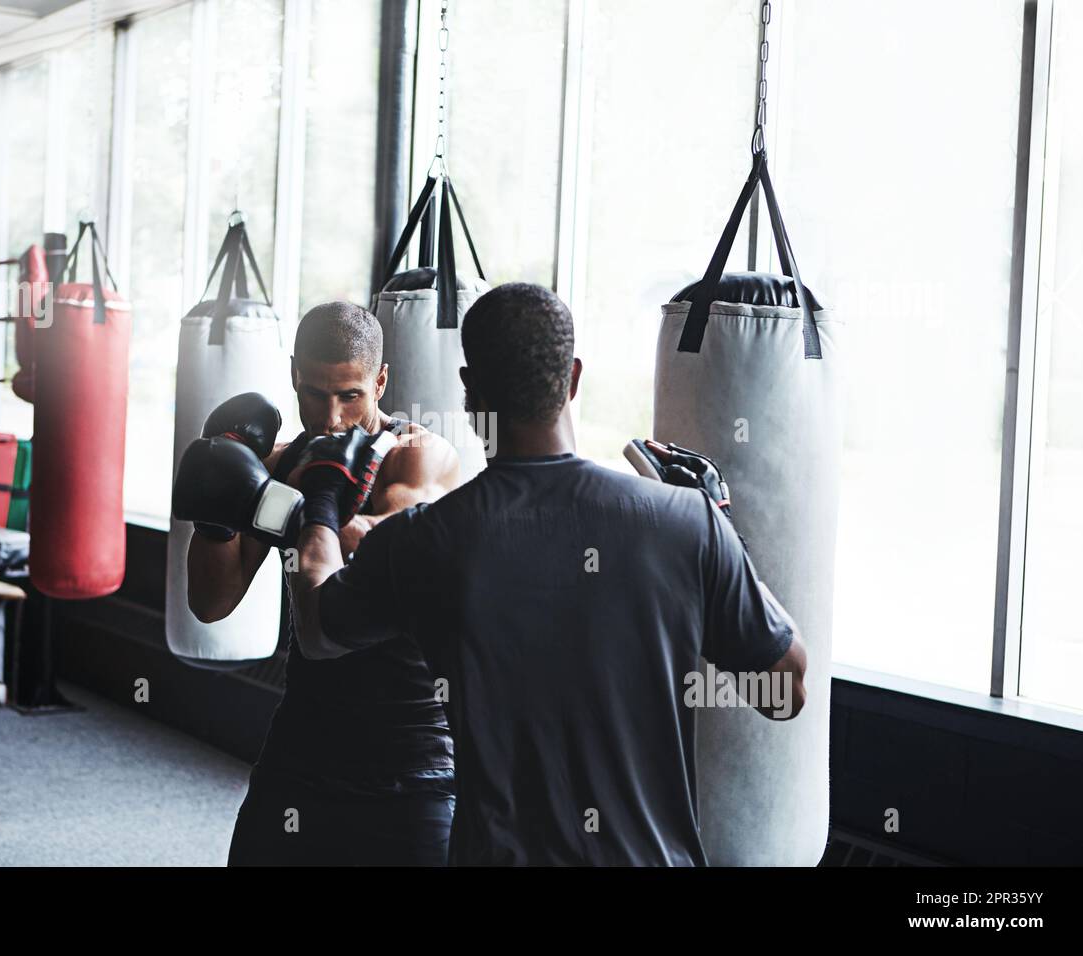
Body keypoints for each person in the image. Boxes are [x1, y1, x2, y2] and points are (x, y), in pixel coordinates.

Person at [283, 282, 808, 866]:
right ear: (574, 378)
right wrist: (724, 531)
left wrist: (323, 504)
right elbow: (786, 690)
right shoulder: (687, 524)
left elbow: (316, 627)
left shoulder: (425, 540)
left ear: (468, 391)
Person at [172, 301, 461, 866]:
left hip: (413, 751)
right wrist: (219, 514)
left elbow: (391, 548)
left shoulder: (417, 457)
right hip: (307, 738)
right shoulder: (283, 465)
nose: (330, 417)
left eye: (350, 395)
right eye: (313, 393)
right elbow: (210, 603)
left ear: (380, 381)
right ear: (293, 378)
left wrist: (310, 505)